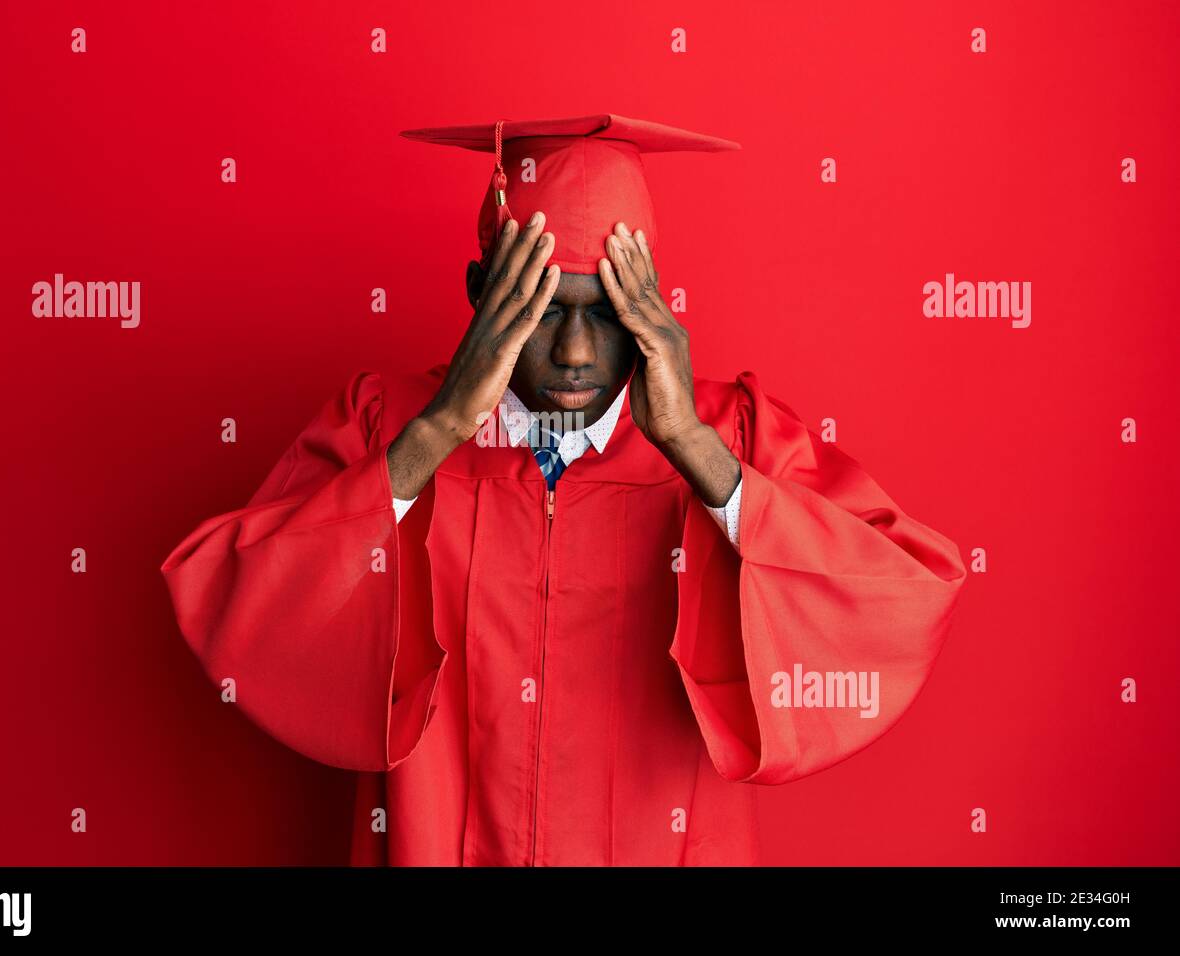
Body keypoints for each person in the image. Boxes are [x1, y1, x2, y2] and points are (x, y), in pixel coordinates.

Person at [160, 113, 967, 866]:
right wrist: (438, 432)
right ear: (480, 293)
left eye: (609, 313)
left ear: (651, 306)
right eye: (543, 309)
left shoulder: (735, 434)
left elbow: (899, 599)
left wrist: (692, 446)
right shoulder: (389, 425)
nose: (577, 351)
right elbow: (236, 594)